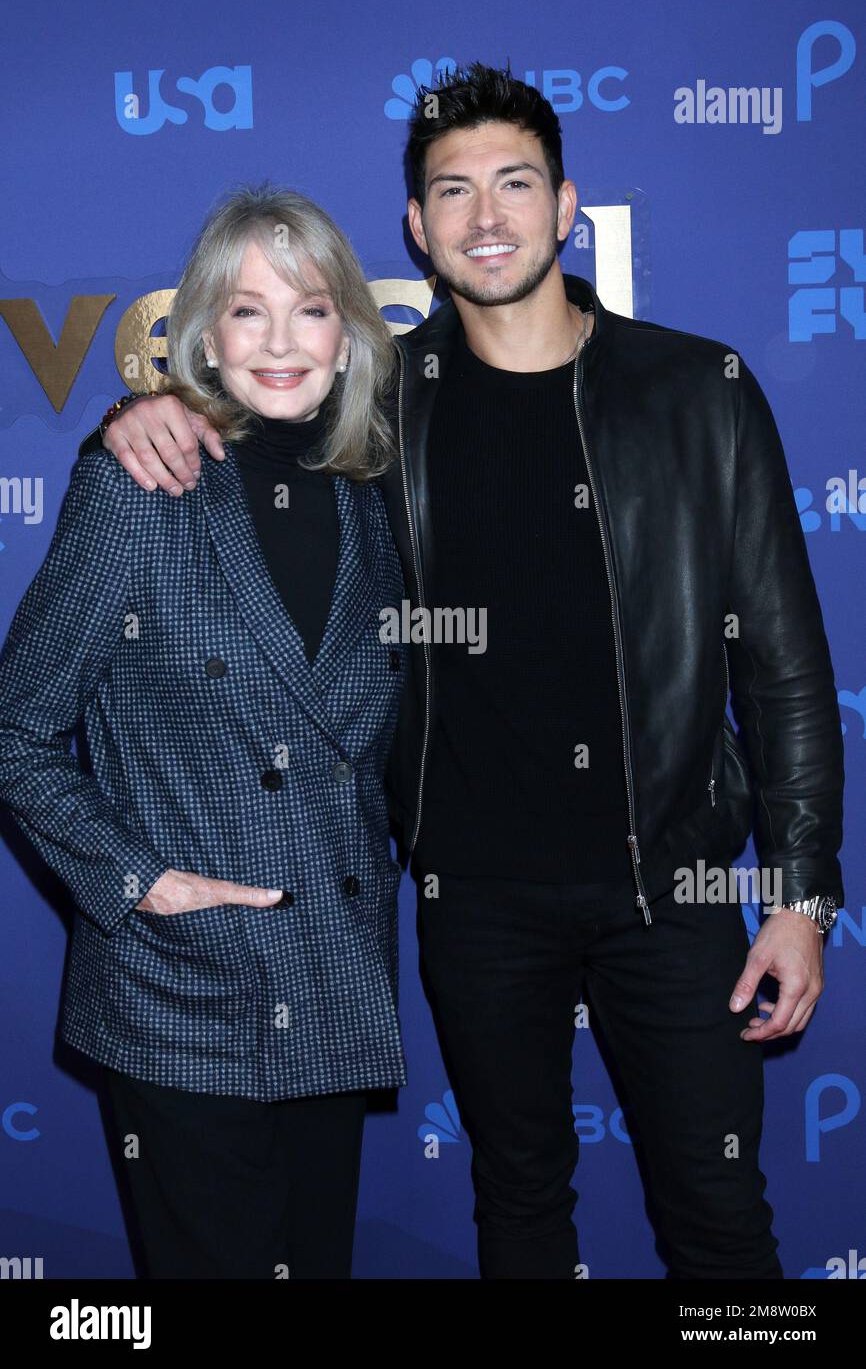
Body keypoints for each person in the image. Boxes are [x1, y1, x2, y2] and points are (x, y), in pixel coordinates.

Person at [80, 64, 844, 1281]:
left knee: (719, 1222)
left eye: (513, 184)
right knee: (519, 1208)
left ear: (565, 205)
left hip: (676, 883)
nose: (486, 217)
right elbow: (236, 420)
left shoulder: (697, 392)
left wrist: (801, 898)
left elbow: (790, 672)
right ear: (415, 230)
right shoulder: (383, 408)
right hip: (474, 898)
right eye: (453, 192)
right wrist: (126, 420)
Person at [0, 185, 408, 1280]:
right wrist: (139, 879)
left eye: (311, 308)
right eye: (246, 311)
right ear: (203, 339)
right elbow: (14, 729)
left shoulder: (373, 497)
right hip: (182, 992)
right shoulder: (142, 484)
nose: (280, 339)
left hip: (329, 980)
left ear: (348, 333)